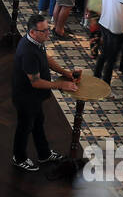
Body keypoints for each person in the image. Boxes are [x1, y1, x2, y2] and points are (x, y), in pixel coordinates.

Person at [10, 14, 79, 171]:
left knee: (38, 123)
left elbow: (46, 58)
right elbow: (36, 82)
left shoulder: (37, 42)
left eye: (48, 29)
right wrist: (61, 85)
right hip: (26, 98)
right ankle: (18, 158)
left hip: (33, 98)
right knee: (24, 127)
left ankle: (44, 153)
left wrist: (65, 72)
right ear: (33, 32)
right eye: (44, 31)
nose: (48, 33)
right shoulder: (28, 52)